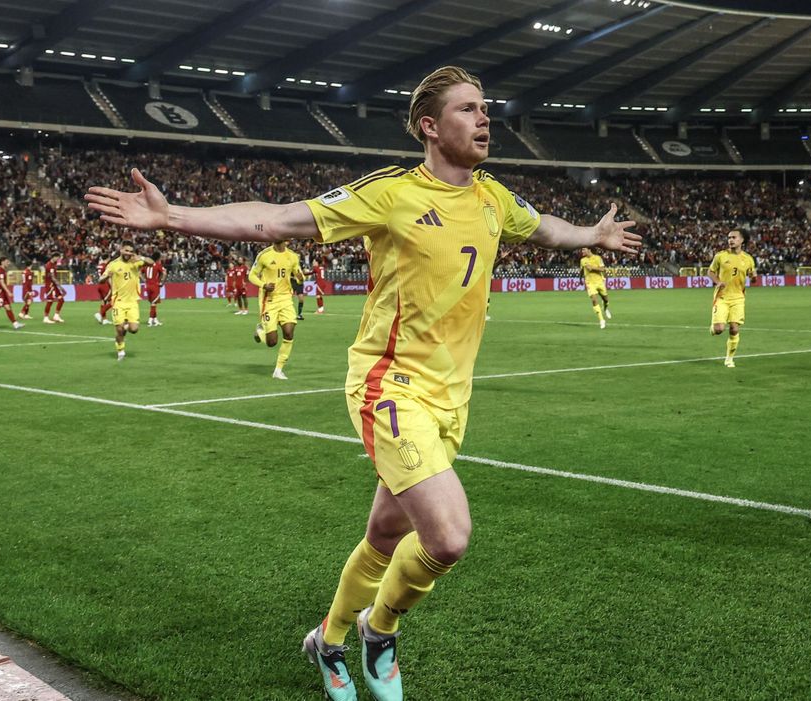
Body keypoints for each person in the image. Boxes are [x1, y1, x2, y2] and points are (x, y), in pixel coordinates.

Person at [86, 65, 640, 701]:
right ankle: (380, 632)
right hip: (389, 386)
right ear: (430, 127)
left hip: (451, 398)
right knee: (448, 536)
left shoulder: (493, 198)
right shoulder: (393, 194)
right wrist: (174, 216)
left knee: (385, 535)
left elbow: (544, 229)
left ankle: (328, 639)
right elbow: (280, 220)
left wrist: (591, 234)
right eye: (467, 109)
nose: (485, 119)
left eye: (485, 108)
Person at [248, 241, 303, 379]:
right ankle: (260, 331)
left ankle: (278, 370)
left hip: (286, 299)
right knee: (272, 342)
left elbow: (299, 275)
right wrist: (263, 285)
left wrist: (301, 278)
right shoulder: (264, 255)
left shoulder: (293, 256)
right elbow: (252, 275)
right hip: (269, 300)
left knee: (289, 333)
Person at [708, 229, 758, 368]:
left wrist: (754, 278)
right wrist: (718, 281)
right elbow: (710, 271)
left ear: (742, 240)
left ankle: (729, 359)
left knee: (734, 328)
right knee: (719, 329)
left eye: (734, 237)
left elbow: (753, 277)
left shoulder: (748, 259)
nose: (730, 240)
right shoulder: (721, 256)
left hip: (738, 298)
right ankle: (713, 328)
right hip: (722, 297)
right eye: (729, 237)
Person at [97, 242, 154, 360]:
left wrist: (141, 257)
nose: (129, 253)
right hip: (118, 301)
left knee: (134, 329)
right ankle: (120, 351)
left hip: (133, 302)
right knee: (119, 329)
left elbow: (152, 262)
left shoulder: (136, 262)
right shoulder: (113, 264)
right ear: (121, 250)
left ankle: (125, 327)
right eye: (126, 250)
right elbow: (100, 279)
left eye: (131, 251)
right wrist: (106, 277)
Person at [0, 257, 24, 330]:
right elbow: (2, 282)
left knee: (7, 307)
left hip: (2, 292)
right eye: (7, 262)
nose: (8, 263)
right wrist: (9, 292)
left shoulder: (3, 270)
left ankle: (15, 324)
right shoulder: (0, 270)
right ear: (2, 262)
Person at [579, 247, 610, 328]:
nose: (582, 251)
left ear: (589, 250)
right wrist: (580, 278)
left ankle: (606, 308)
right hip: (589, 283)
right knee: (594, 300)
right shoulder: (582, 260)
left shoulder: (597, 258)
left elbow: (603, 269)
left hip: (599, 282)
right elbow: (582, 270)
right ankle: (602, 320)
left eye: (583, 249)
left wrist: (593, 268)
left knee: (606, 299)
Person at [42, 254, 65, 323]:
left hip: (54, 285)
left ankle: (56, 316)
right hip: (50, 285)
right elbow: (52, 277)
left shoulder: (54, 264)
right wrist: (60, 286)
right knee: (50, 301)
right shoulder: (49, 265)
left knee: (61, 299)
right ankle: (45, 318)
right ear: (54, 257)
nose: (58, 259)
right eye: (57, 258)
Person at [145, 250, 165, 326]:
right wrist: (161, 282)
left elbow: (140, 273)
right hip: (155, 286)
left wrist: (144, 279)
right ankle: (150, 320)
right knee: (153, 303)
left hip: (148, 286)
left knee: (153, 303)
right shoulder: (157, 265)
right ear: (158, 258)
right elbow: (164, 273)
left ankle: (155, 320)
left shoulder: (146, 265)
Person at [94, 256, 114, 325]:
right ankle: (99, 314)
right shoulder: (106, 266)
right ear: (108, 258)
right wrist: (111, 285)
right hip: (104, 284)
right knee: (113, 301)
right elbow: (108, 276)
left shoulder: (99, 265)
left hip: (99, 284)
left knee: (103, 302)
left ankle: (104, 320)